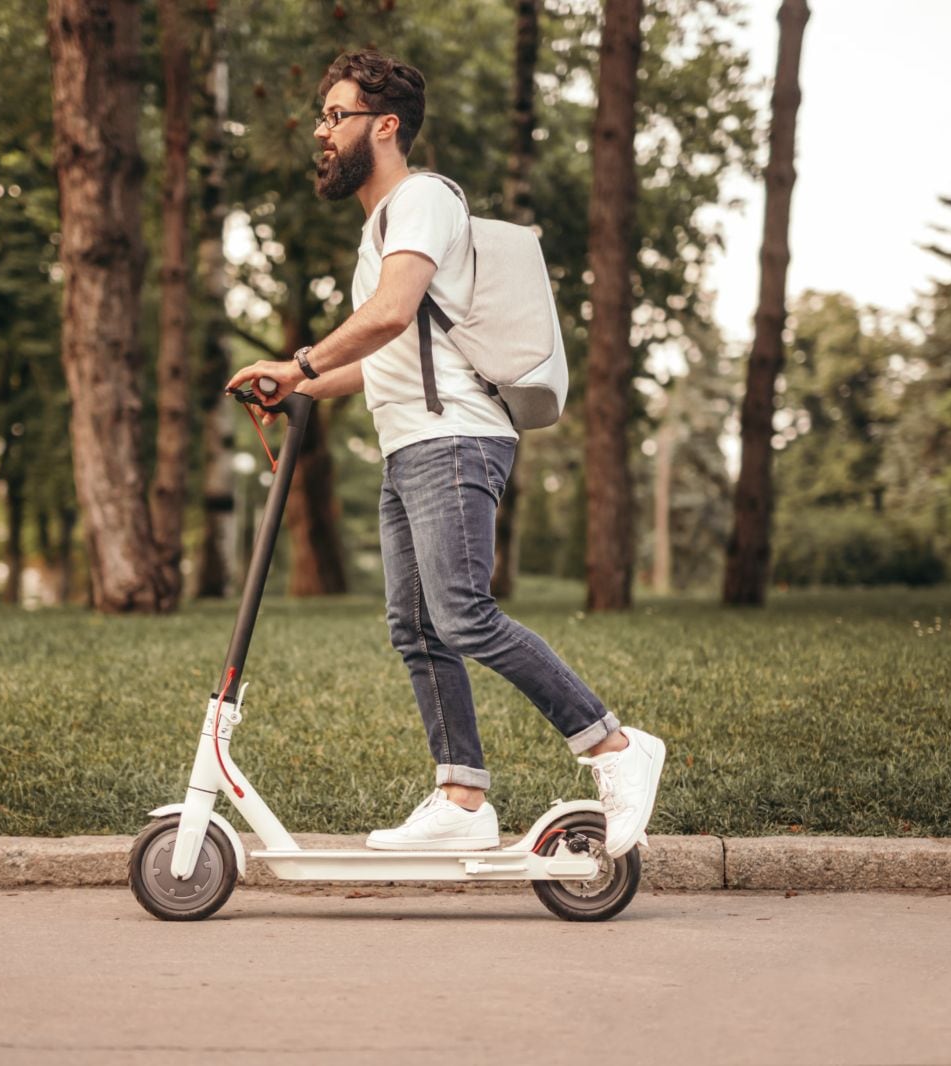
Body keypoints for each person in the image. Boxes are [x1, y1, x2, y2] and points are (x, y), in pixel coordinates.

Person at [224, 49, 665, 858]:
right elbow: (386, 351)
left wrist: (300, 362)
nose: (321, 132)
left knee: (462, 612)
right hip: (413, 444)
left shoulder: (419, 199)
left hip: (454, 438)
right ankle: (462, 795)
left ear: (383, 125)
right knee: (417, 625)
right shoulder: (382, 226)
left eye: (335, 116)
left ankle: (615, 747)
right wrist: (298, 387)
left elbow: (391, 313)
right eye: (322, 118)